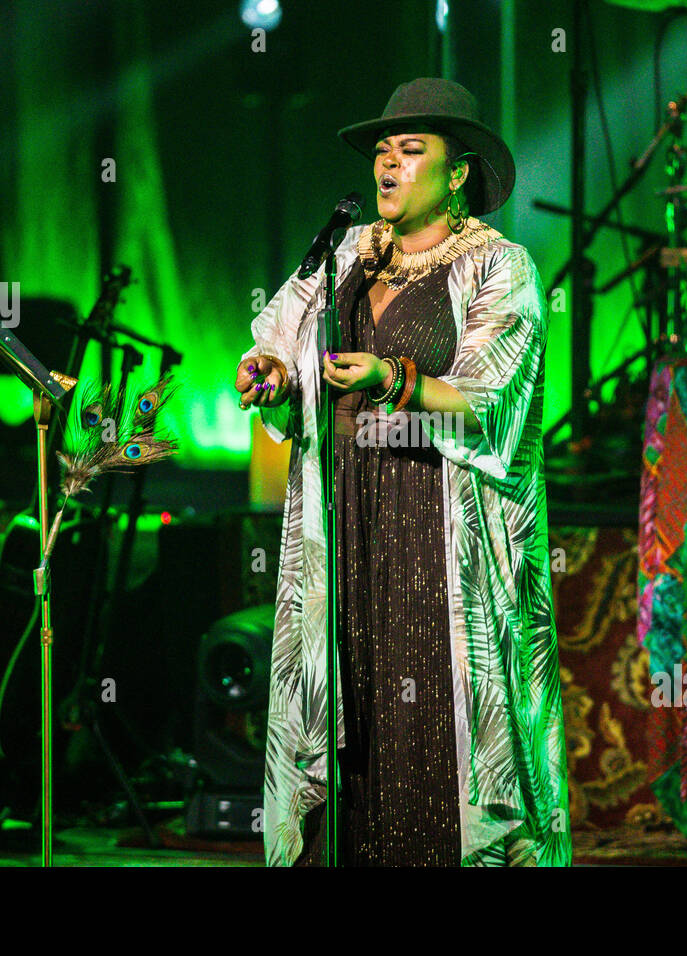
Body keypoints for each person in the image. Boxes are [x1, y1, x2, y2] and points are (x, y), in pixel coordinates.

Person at [235, 77, 570, 867]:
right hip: (347, 519)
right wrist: (269, 375)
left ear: (458, 173)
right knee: (353, 710)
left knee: (434, 717)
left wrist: (395, 380)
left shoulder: (499, 266)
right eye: (383, 152)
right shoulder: (343, 255)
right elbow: (277, 342)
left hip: (438, 526)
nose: (389, 166)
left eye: (410, 151)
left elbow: (494, 403)